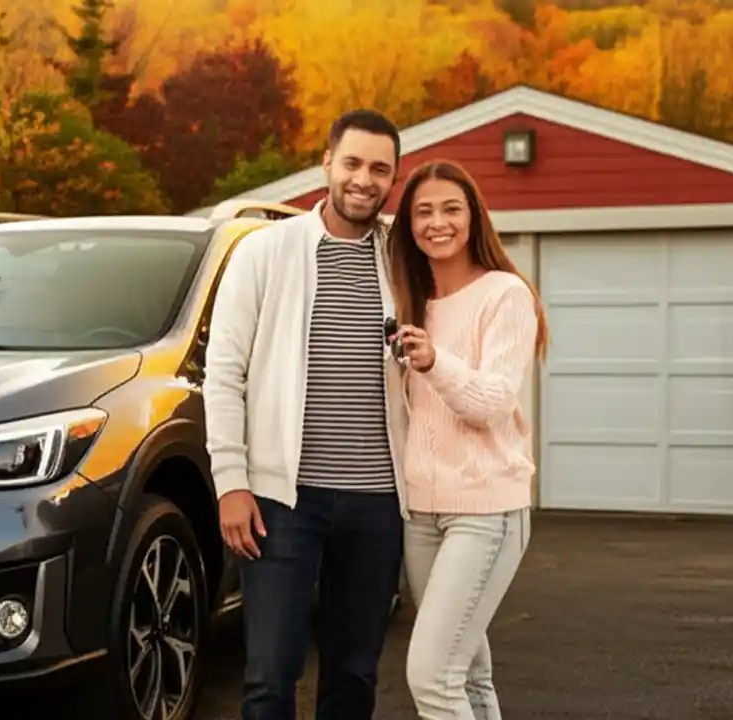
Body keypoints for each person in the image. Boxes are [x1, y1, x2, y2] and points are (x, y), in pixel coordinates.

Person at [203, 108, 411, 720]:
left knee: (353, 673)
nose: (364, 180)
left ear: (393, 178)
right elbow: (224, 375)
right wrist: (231, 484)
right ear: (326, 163)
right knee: (270, 675)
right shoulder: (264, 253)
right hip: (280, 502)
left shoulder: (404, 258)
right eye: (352, 163)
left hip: (378, 502)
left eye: (380, 169)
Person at [385, 159, 549, 720]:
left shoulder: (505, 295)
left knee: (431, 676)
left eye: (451, 208)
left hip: (486, 512)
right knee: (468, 675)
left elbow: (492, 403)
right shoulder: (410, 302)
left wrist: (435, 361)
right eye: (423, 211)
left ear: (473, 216)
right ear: (407, 224)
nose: (437, 222)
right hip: (423, 513)